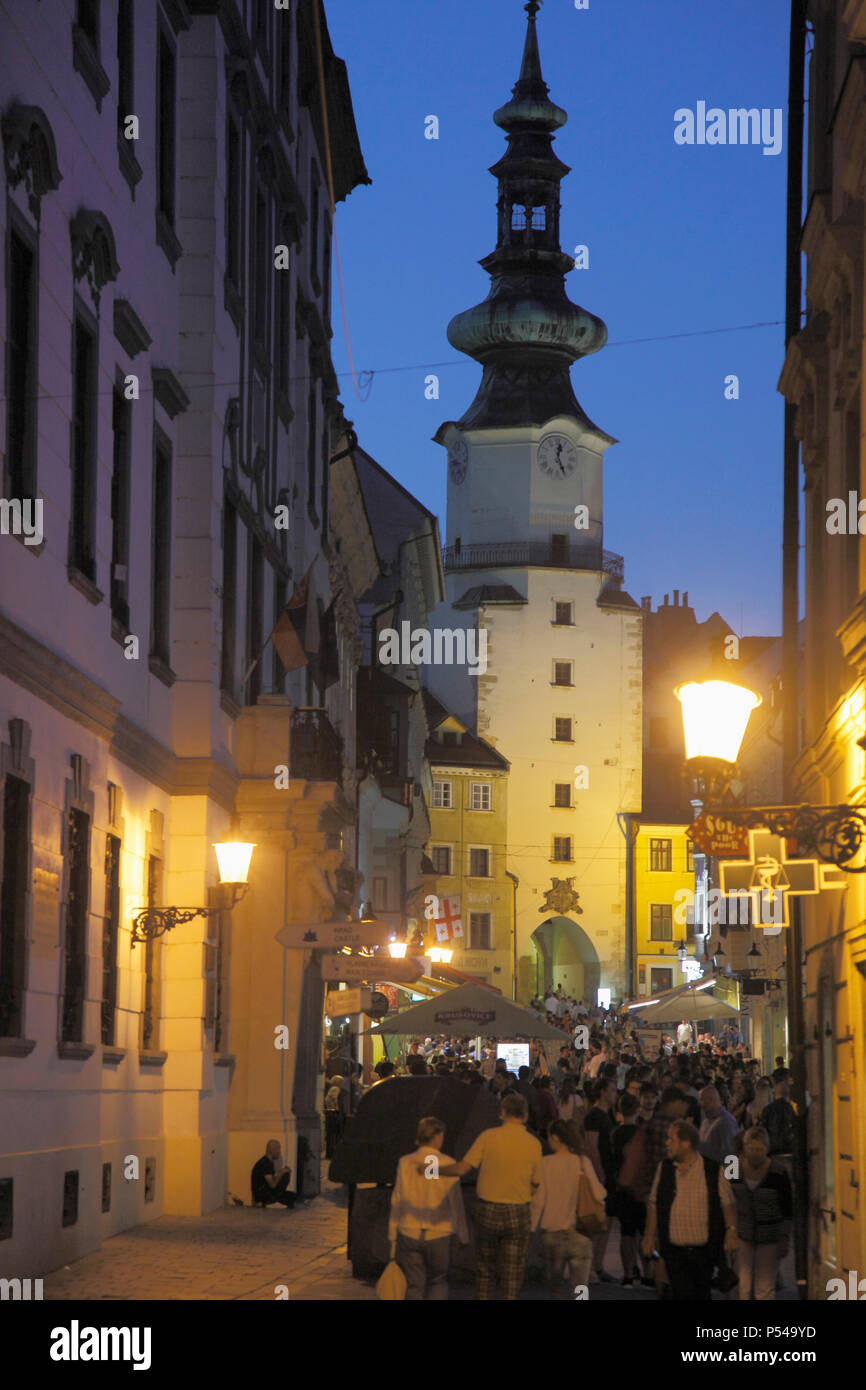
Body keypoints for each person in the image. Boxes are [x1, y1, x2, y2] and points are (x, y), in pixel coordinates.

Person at [431, 1093, 543, 1300]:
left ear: (502, 1113)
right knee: (512, 1270)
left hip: (488, 1208)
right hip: (518, 1210)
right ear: (525, 1116)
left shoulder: (488, 1137)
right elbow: (536, 1183)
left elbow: (462, 1169)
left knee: (485, 1268)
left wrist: (433, 1170)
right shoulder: (533, 1143)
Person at [643, 1120, 738, 1300]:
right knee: (681, 1293)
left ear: (686, 1143)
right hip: (674, 1251)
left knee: (701, 1294)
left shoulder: (712, 1170)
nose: (667, 1143)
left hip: (704, 1252)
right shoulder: (665, 1169)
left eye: (671, 1139)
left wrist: (731, 1231)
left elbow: (728, 1203)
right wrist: (649, 1236)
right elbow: (654, 1203)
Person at [389, 1116, 468, 1300]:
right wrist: (462, 1234)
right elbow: (455, 1202)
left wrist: (392, 1235)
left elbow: (397, 1199)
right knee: (437, 1281)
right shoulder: (448, 1164)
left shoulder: (406, 1162)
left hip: (409, 1229)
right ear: (437, 1136)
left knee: (414, 1284)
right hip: (439, 1233)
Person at [532, 1120, 604, 1298]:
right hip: (580, 1232)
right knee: (580, 1291)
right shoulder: (582, 1161)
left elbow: (538, 1201)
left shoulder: (545, 1163)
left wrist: (531, 1226)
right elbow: (599, 1193)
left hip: (552, 1235)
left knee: (555, 1290)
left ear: (555, 1138)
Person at [728, 1125, 793, 1301]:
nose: (755, 1153)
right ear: (744, 1147)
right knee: (742, 1284)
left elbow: (787, 1208)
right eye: (751, 1148)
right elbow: (726, 1199)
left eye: (760, 1149)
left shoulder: (778, 1172)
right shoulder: (733, 1167)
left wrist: (784, 1238)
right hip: (742, 1232)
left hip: (770, 1235)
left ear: (767, 1148)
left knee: (764, 1286)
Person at [583, 1075, 618, 1282]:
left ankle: (598, 1265)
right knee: (598, 1221)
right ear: (603, 1092)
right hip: (602, 1175)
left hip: (610, 1174)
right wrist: (600, 1173)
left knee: (607, 1221)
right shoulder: (594, 1116)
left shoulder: (608, 1115)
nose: (615, 1094)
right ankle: (592, 1265)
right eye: (612, 1090)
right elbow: (591, 1146)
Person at [698, 1085, 740, 1165]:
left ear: (711, 1099)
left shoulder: (726, 1122)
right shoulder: (706, 1121)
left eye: (702, 1100)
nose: (699, 1103)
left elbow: (731, 1154)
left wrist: (731, 1176)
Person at [251, 1139, 296, 1208]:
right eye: (278, 1149)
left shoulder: (268, 1162)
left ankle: (276, 1200)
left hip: (268, 1192)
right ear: (272, 1150)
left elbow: (271, 1181)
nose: (279, 1152)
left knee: (293, 1195)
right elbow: (272, 1185)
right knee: (285, 1175)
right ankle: (270, 1202)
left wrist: (281, 1172)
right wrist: (281, 1173)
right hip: (262, 1196)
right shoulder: (265, 1163)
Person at [762, 1081, 796, 1156]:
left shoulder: (768, 1109)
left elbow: (763, 1130)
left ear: (774, 1094)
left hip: (772, 1149)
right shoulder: (791, 1109)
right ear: (788, 1094)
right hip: (788, 1148)